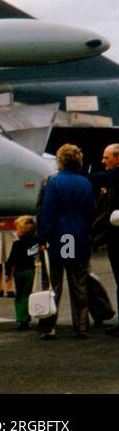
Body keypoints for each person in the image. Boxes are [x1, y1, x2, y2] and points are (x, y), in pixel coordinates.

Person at [38, 144, 94, 339]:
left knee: (53, 282)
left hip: (58, 236)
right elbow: (90, 212)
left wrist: (42, 237)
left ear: (60, 161)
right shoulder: (86, 183)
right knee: (79, 282)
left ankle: (49, 325)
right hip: (79, 235)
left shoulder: (54, 182)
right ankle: (82, 325)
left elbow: (48, 212)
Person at [87, 142, 119, 334]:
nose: (103, 161)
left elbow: (101, 179)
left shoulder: (116, 175)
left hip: (115, 237)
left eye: (106, 157)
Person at [5, 215, 39, 331]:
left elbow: (10, 260)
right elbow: (35, 253)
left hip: (18, 272)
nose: (16, 232)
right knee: (26, 294)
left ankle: (20, 317)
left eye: (17, 229)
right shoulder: (35, 242)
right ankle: (26, 318)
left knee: (19, 295)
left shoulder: (17, 244)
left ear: (23, 231)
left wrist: (7, 273)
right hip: (30, 270)